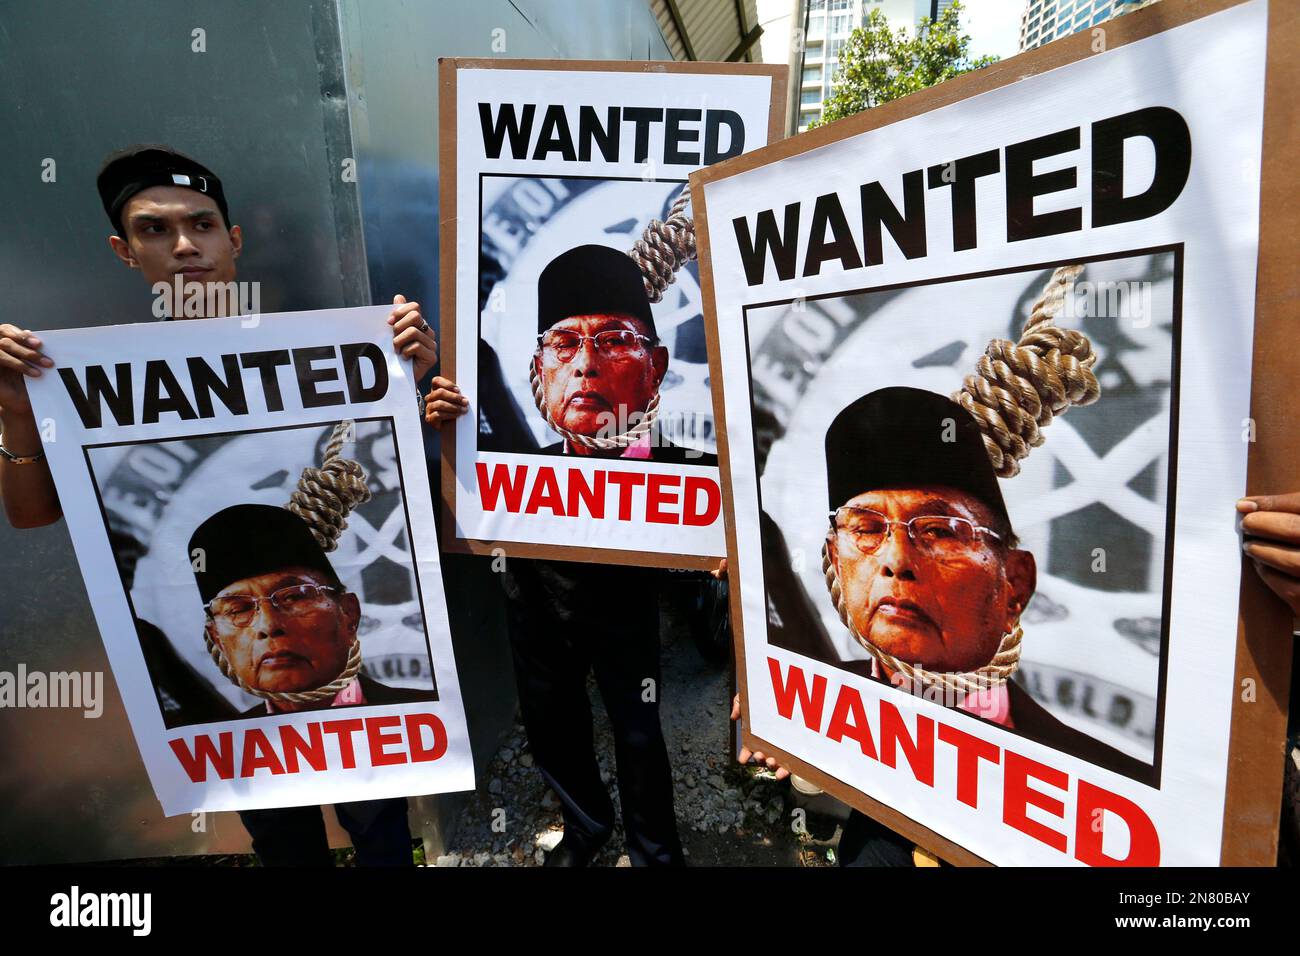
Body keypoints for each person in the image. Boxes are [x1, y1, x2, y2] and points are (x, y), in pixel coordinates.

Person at [0, 144, 439, 866]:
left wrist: (415, 383)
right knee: (283, 840)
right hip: (237, 729)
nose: (183, 245)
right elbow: (30, 514)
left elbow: (400, 473)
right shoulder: (83, 378)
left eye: (201, 224)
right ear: (123, 251)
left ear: (233, 240)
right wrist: (19, 416)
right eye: (154, 229)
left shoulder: (329, 349)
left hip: (354, 705)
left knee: (380, 827)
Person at [188, 503, 435, 715]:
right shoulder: (225, 749)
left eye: (293, 597)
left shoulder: (431, 715)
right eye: (238, 609)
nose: (269, 625)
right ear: (218, 640)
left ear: (348, 613)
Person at [528, 243, 714, 466]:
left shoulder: (708, 476)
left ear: (656, 367)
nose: (585, 364)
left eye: (613, 342)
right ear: (540, 370)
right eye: (565, 344)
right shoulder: (515, 475)